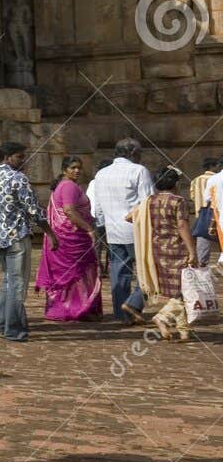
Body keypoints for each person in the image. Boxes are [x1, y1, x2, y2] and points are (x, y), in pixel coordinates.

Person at [0, 143, 56, 343]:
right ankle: (14, 329)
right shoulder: (18, 179)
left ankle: (0, 323)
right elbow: (34, 210)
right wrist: (51, 234)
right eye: (20, 157)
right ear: (7, 158)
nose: (24, 161)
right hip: (16, 239)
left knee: (8, 281)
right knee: (17, 284)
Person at [129, 168, 197, 341]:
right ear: (175, 184)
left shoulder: (149, 201)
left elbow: (129, 217)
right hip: (177, 250)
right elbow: (182, 226)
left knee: (176, 293)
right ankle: (162, 318)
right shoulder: (178, 201)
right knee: (182, 290)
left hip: (158, 251)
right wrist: (192, 251)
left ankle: (183, 331)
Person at [92, 139, 154, 324]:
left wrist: (103, 226)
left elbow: (99, 207)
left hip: (112, 231)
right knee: (150, 270)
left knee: (119, 273)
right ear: (133, 152)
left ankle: (122, 314)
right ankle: (133, 304)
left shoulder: (101, 173)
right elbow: (148, 202)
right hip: (136, 230)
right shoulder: (139, 171)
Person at [33, 155, 102, 322]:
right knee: (78, 272)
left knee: (71, 273)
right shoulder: (68, 187)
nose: (77, 170)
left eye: (79, 167)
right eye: (73, 168)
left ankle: (66, 308)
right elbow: (69, 211)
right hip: (72, 238)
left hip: (67, 237)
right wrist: (89, 229)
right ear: (64, 170)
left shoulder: (65, 186)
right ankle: (76, 309)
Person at [190, 157, 219, 267]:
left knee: (202, 248)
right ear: (213, 166)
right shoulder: (217, 178)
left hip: (201, 217)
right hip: (216, 215)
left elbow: (192, 197)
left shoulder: (195, 180)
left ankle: (202, 269)